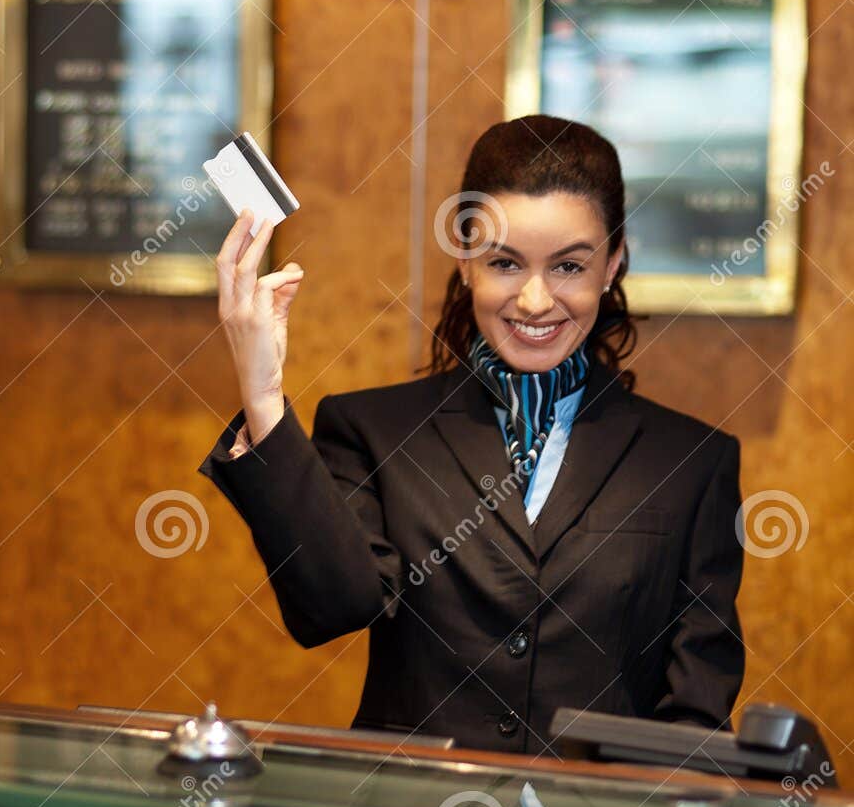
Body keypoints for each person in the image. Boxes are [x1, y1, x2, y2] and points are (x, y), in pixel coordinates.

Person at [197, 115, 744, 753]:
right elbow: (332, 609)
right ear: (465, 263)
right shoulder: (372, 431)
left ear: (614, 262)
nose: (536, 300)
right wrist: (262, 394)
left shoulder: (692, 463)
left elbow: (696, 720)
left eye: (569, 265)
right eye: (505, 263)